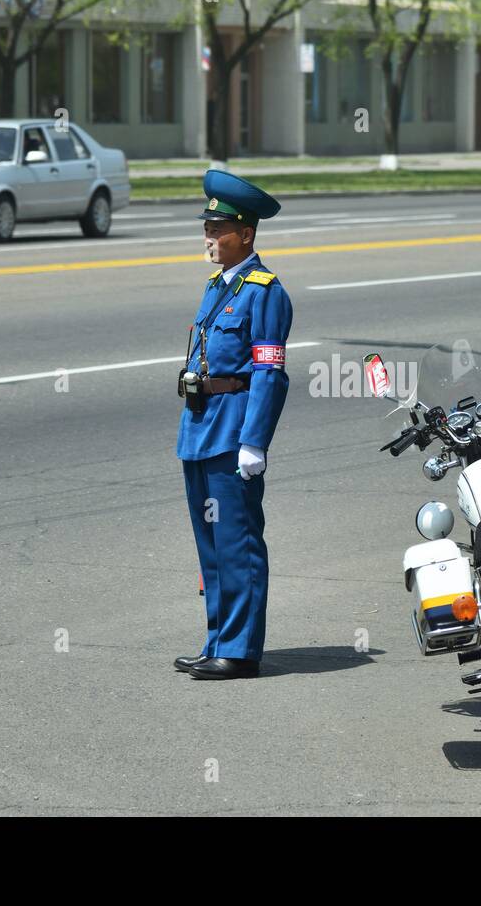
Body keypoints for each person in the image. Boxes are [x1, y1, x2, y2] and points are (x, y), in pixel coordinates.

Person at [176, 170, 292, 681]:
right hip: (200, 428)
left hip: (233, 431)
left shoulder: (265, 292)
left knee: (237, 543)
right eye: (206, 227)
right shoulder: (217, 287)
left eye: (218, 229)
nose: (209, 237)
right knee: (211, 545)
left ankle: (241, 651)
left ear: (245, 234)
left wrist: (254, 442)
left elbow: (269, 371)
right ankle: (217, 639)